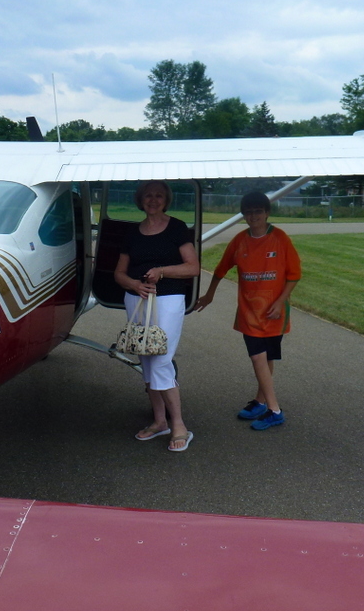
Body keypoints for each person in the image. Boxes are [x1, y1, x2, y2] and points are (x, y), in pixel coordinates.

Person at [194, 191, 301, 430]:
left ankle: (264, 403)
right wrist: (210, 294)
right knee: (257, 356)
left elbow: (294, 275)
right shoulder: (240, 240)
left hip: (274, 312)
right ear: (243, 215)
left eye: (258, 211)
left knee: (267, 357)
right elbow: (221, 268)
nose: (254, 216)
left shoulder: (280, 239)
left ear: (267, 213)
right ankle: (273, 409)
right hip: (249, 312)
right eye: (249, 212)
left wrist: (281, 301)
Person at [114, 180, 200, 451]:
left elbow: (193, 267)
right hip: (137, 299)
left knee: (161, 359)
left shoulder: (176, 228)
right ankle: (160, 421)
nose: (153, 200)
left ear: (166, 200)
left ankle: (179, 425)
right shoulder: (132, 233)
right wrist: (134, 284)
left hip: (168, 299)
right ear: (141, 200)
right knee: (147, 359)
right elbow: (119, 273)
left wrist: (162, 271)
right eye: (148, 195)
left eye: (159, 195)